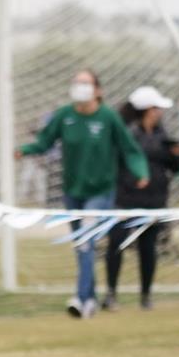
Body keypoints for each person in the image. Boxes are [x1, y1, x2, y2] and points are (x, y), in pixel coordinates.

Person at [19, 68, 148, 318]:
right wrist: (24, 150)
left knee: (85, 242)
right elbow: (44, 142)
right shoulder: (64, 116)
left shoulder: (108, 117)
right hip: (72, 191)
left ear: (97, 90)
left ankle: (81, 298)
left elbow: (129, 149)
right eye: (76, 82)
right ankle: (90, 298)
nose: (80, 87)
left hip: (100, 191)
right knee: (81, 245)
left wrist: (140, 171)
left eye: (85, 83)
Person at [103, 86, 179, 310]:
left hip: (155, 200)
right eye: (157, 107)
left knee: (148, 248)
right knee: (116, 245)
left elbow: (175, 168)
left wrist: (178, 155)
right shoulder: (127, 133)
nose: (160, 112)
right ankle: (111, 294)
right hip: (126, 199)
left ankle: (146, 295)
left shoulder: (163, 135)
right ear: (148, 109)